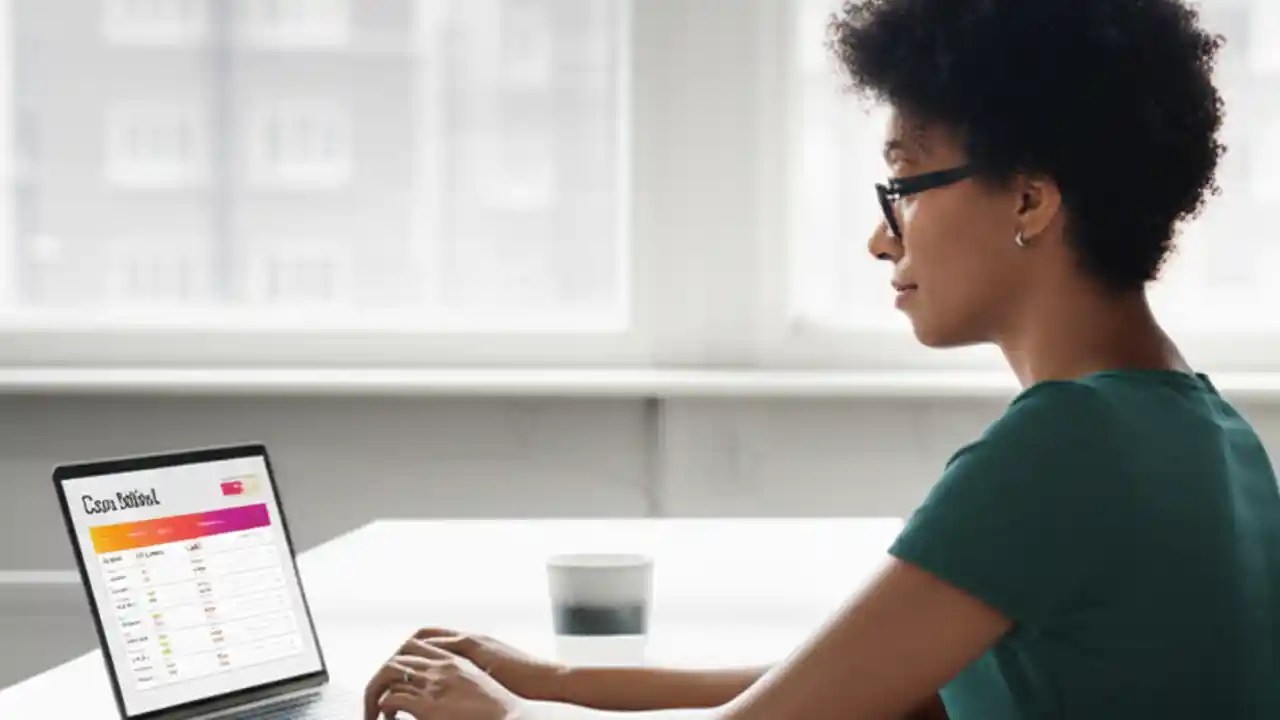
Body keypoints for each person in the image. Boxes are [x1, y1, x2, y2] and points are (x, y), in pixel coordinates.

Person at [363, 0, 1280, 717]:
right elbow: (864, 693)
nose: (882, 242)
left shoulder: (1067, 445)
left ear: (1031, 202)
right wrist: (554, 680)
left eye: (905, 188)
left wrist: (504, 717)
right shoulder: (1209, 436)